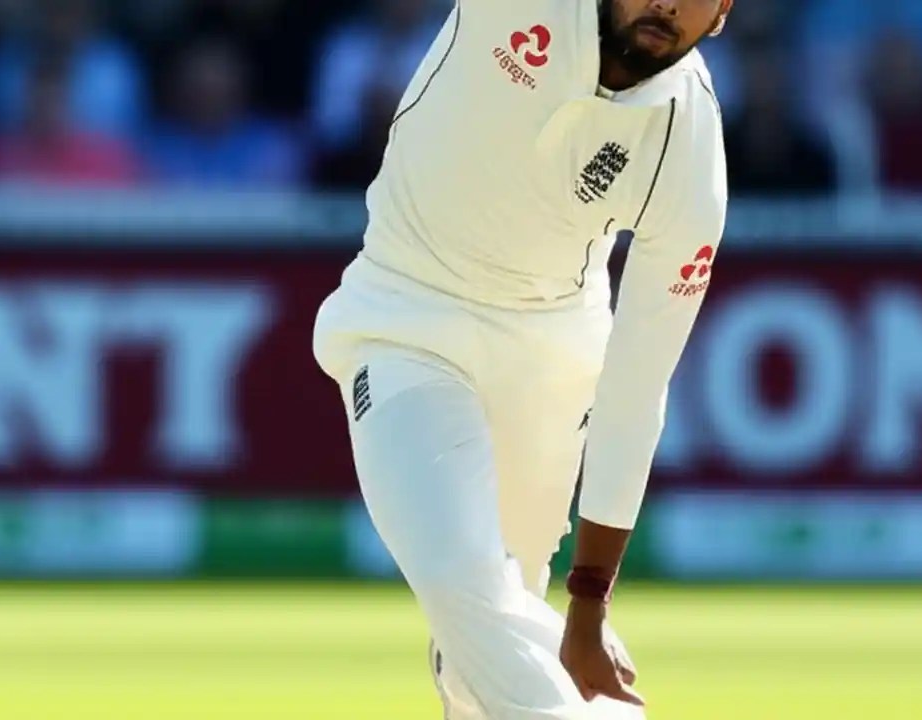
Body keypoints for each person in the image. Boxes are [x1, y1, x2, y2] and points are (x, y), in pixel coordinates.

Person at [311, 0, 732, 717]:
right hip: (405, 318)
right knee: (462, 583)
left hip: (552, 361)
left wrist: (590, 602)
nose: (666, 3)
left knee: (480, 653)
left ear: (722, 12)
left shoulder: (687, 138)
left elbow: (637, 385)